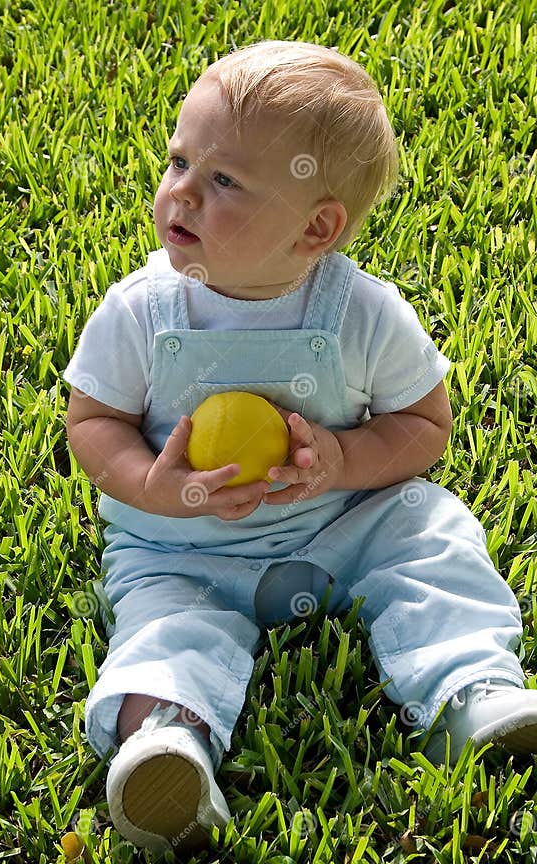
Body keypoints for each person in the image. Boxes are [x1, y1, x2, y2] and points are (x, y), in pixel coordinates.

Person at [63, 39, 537, 854]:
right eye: (179, 161)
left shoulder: (364, 314)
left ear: (318, 227)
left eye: (223, 182)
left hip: (342, 520)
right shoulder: (141, 312)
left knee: (431, 539)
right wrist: (153, 482)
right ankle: (167, 742)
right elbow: (91, 420)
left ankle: (472, 691)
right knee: (163, 621)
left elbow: (426, 424)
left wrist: (347, 462)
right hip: (184, 543)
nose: (180, 191)